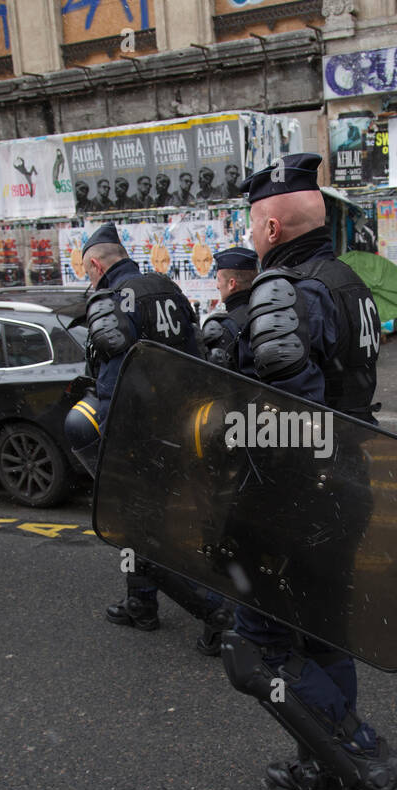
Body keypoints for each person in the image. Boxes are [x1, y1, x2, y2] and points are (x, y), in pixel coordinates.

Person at [229, 153, 397, 790]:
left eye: (253, 226)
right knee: (324, 637)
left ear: (272, 224)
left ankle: (368, 766)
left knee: (255, 652)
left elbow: (288, 418)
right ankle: (325, 768)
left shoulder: (283, 291)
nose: (251, 239)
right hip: (348, 486)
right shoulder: (348, 284)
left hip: (297, 501)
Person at [65, 223, 233, 655]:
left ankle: (217, 613)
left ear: (97, 265)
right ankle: (140, 603)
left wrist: (113, 439)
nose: (88, 280)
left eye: (87, 272)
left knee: (142, 528)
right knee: (145, 523)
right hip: (182, 422)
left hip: (140, 433)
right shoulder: (167, 287)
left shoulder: (111, 301)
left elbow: (114, 383)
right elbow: (195, 354)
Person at [201, 246, 257, 370]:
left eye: (219, 280)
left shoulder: (224, 327)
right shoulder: (266, 312)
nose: (217, 286)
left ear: (232, 284)